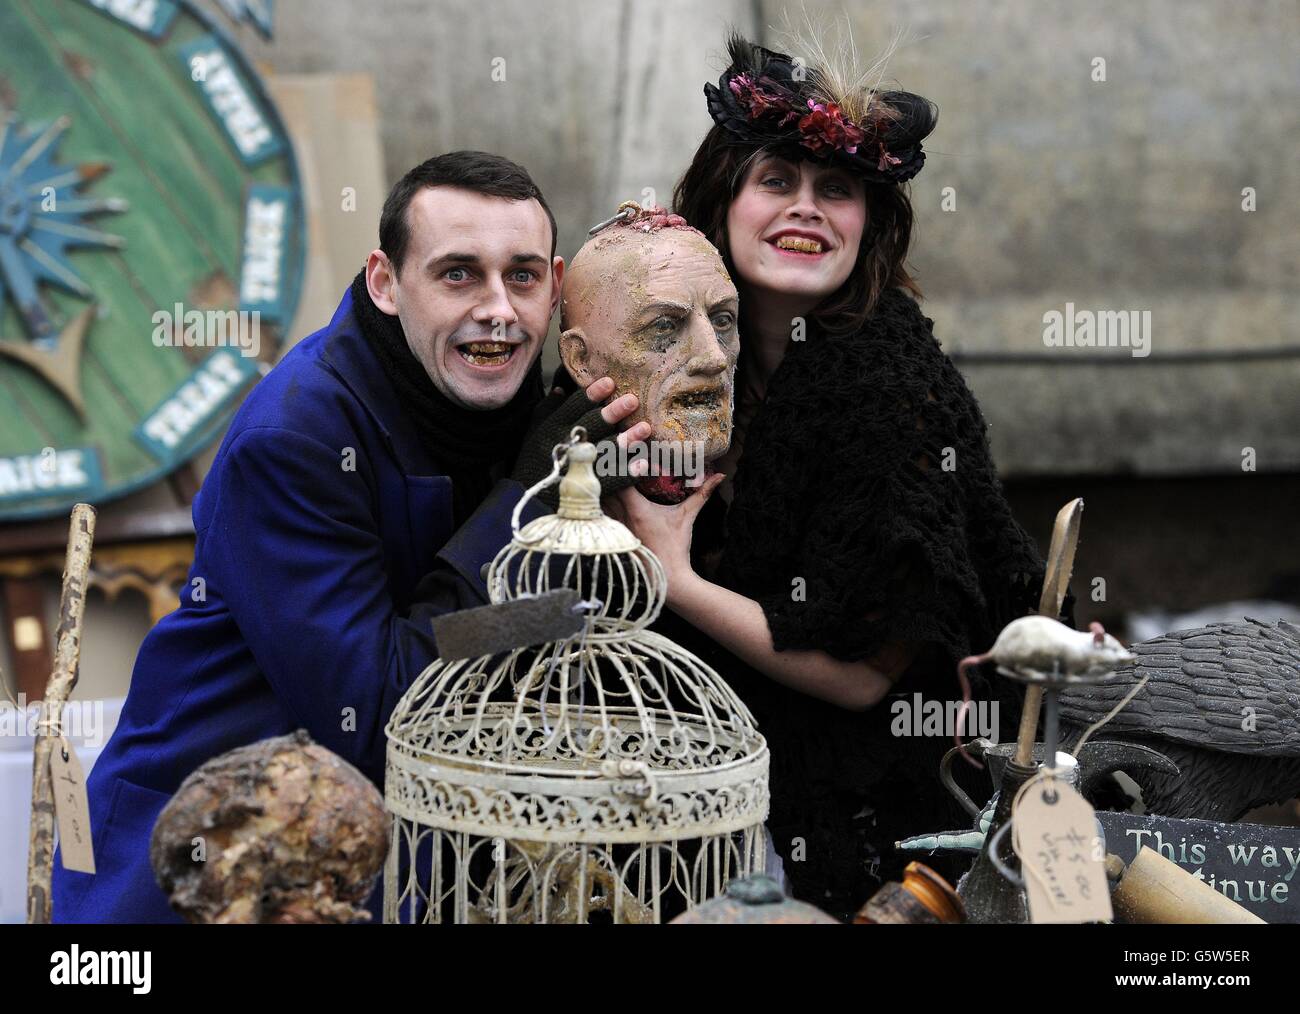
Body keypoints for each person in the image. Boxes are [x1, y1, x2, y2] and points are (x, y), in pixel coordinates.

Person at [52, 150, 650, 923]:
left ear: (556, 283)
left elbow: (543, 631)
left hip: (393, 864)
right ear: (384, 282)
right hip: (201, 872)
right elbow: (375, 713)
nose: (499, 308)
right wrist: (528, 505)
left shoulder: (520, 400)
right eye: (459, 273)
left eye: (524, 276)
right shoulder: (293, 436)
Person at [605, 34, 1070, 919]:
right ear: (722, 200)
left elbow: (863, 675)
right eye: (777, 180)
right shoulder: (695, 359)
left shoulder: (892, 389)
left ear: (870, 222)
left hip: (889, 822)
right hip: (716, 784)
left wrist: (674, 578)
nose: (806, 209)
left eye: (837, 190)